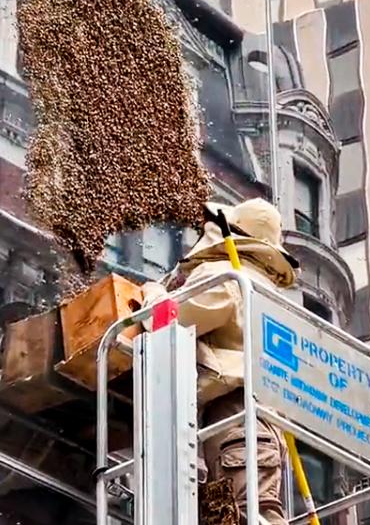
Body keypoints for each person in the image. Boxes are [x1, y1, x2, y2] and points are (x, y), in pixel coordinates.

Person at [141, 198, 300, 525]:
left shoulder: (226, 276)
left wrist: (152, 293)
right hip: (259, 421)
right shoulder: (267, 291)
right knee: (239, 513)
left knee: (249, 514)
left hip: (236, 416)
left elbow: (169, 320)